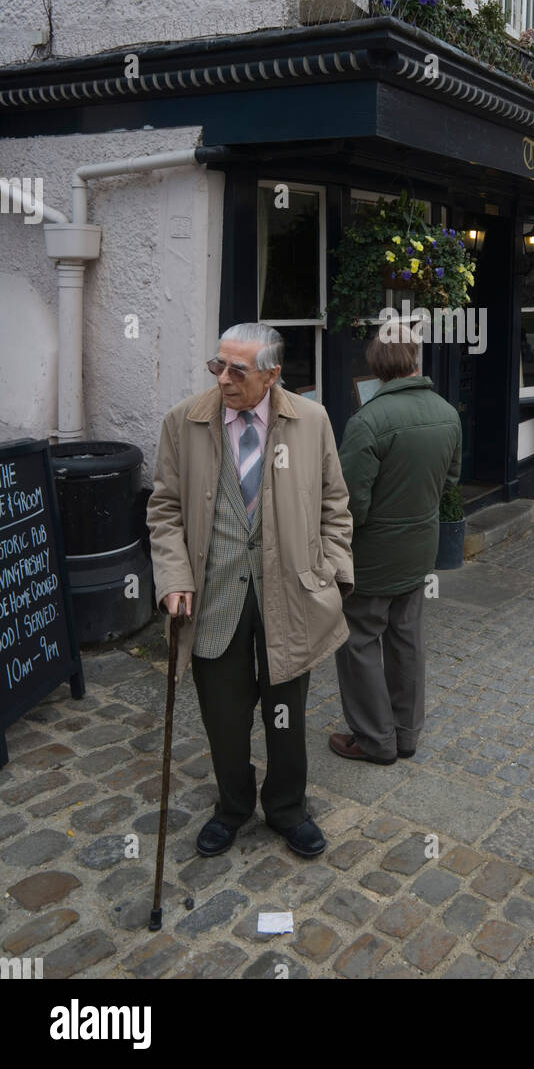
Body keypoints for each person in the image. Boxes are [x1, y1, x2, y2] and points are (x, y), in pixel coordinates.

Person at [147, 323, 353, 860]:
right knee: (223, 716)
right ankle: (232, 806)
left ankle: (287, 807)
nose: (224, 379)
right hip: (213, 598)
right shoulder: (184, 423)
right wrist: (173, 579)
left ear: (272, 374)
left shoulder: (311, 421)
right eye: (218, 365)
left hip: (292, 596)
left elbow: (335, 504)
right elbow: (165, 509)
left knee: (286, 714)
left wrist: (332, 574)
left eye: (238, 370)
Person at [331, 321, 461, 765]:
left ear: (377, 364)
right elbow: (450, 484)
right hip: (419, 547)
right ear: (414, 359)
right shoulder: (447, 412)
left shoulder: (367, 421)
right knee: (406, 638)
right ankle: (406, 735)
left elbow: (351, 504)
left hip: (372, 556)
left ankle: (374, 739)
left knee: (359, 641)